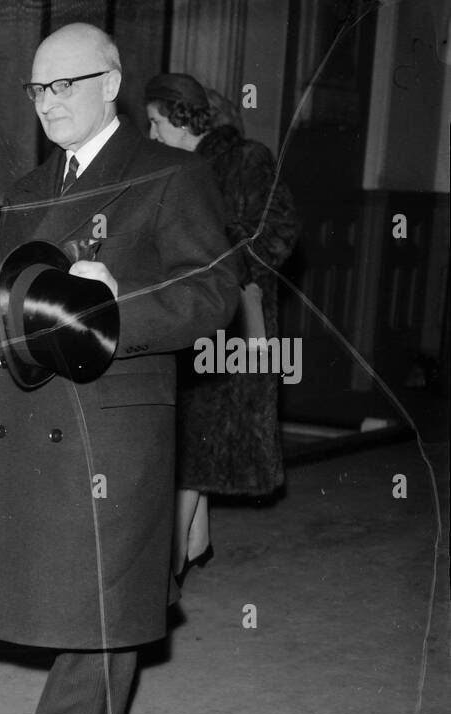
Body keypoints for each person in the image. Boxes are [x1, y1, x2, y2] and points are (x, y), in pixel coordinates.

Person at [0, 24, 240, 714]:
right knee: (46, 573)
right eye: (37, 89)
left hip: (113, 413)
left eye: (64, 85)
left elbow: (214, 294)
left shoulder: (168, 175)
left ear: (110, 84)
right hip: (28, 405)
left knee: (106, 580)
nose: (48, 103)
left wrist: (122, 312)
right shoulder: (27, 189)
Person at [145, 73, 301, 584]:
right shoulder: (173, 168)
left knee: (192, 443)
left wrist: (217, 255)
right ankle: (196, 541)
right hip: (189, 318)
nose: (150, 135)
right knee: (195, 440)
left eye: (155, 123)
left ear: (184, 118)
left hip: (231, 327)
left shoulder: (247, 158)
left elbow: (278, 231)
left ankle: (166, 571)